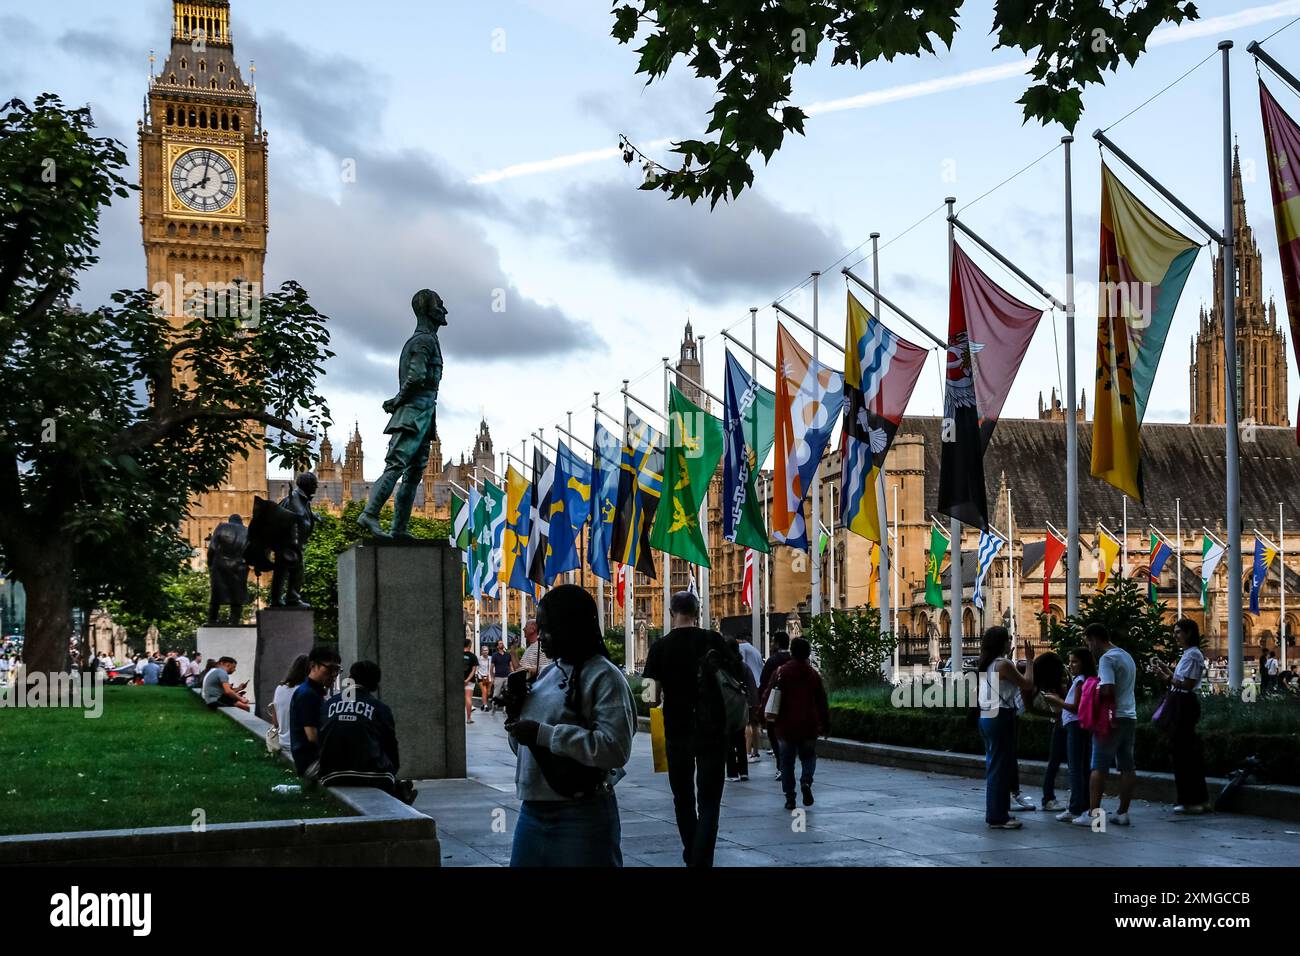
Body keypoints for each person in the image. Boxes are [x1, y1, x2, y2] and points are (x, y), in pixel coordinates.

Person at [506, 584, 636, 867]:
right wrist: (515, 719)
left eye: (548, 628)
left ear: (572, 626)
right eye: (539, 629)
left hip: (581, 812)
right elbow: (524, 748)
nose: (541, 638)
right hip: (533, 810)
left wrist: (543, 734)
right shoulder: (548, 674)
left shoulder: (605, 677)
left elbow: (615, 748)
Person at [642, 590, 730, 867]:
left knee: (682, 797)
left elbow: (650, 697)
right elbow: (733, 679)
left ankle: (692, 850)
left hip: (677, 729)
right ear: (697, 612)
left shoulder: (659, 647)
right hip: (713, 730)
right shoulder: (712, 640)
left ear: (671, 612)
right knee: (710, 801)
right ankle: (701, 858)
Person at [317, 660, 417, 804]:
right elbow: (390, 745)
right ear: (375, 685)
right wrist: (391, 770)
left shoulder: (329, 704)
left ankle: (399, 789)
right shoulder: (380, 708)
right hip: (372, 774)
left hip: (331, 773)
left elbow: (321, 737)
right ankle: (399, 790)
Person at [975, 627, 1036, 830]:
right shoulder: (1003, 664)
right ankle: (997, 816)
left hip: (986, 717)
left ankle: (998, 811)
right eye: (1008, 639)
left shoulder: (988, 664)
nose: (1011, 641)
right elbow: (1027, 684)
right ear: (1002, 643)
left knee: (997, 766)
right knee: (999, 769)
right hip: (1001, 716)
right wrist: (1029, 661)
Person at [1077, 622, 1138, 827]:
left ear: (1094, 639)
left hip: (1110, 719)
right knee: (1127, 766)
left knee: (1098, 767)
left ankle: (1094, 815)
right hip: (1130, 716)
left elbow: (1108, 689)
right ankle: (1122, 812)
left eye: (1088, 643)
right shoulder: (1126, 656)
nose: (1089, 648)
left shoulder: (1106, 658)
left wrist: (1091, 688)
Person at [763, 637, 829, 810]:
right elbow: (822, 701)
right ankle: (806, 781)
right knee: (808, 756)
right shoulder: (813, 674)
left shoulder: (780, 672)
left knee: (786, 762)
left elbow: (768, 694)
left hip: (786, 726)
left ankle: (790, 797)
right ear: (807, 653)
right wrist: (826, 723)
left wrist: (762, 714)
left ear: (792, 652)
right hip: (808, 724)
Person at [1152, 618, 1210, 814]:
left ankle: (1190, 800)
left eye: (1178, 632)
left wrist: (1166, 677)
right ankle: (1194, 799)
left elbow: (1188, 684)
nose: (1175, 635)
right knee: (1184, 753)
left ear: (1189, 633)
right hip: (1183, 702)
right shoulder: (1189, 654)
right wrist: (1165, 669)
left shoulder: (1193, 655)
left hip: (1184, 704)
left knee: (1182, 754)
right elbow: (1181, 679)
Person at [1042, 647, 1096, 823]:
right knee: (1081, 767)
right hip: (1078, 726)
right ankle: (1082, 805)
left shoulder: (1080, 681)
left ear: (1084, 663)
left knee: (1076, 768)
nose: (1071, 665)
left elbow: (1075, 707)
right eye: (1070, 661)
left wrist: (1057, 701)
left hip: (1075, 725)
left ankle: (1075, 807)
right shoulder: (1082, 680)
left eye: (1074, 661)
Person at [289, 645, 342, 777]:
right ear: (313, 666)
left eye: (337, 669)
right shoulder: (307, 694)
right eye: (330, 669)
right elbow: (312, 736)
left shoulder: (313, 691)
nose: (334, 674)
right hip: (312, 764)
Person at [759, 632, 792, 771]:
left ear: (777, 644)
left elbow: (764, 682)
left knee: (773, 733)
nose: (771, 644)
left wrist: (761, 703)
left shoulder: (772, 661)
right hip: (791, 703)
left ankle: (780, 764)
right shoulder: (792, 659)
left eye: (773, 642)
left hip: (774, 704)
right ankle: (786, 764)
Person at [722, 638, 754, 782]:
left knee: (728, 738)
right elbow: (752, 686)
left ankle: (732, 773)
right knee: (740, 738)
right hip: (741, 705)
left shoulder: (723, 668)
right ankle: (744, 771)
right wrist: (753, 704)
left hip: (727, 705)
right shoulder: (743, 667)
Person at [271, 654, 310, 754]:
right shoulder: (306, 691)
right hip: (301, 745)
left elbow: (275, 722)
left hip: (283, 741)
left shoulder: (280, 688)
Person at [737, 633, 764, 760]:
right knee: (755, 723)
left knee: (747, 723)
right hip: (757, 687)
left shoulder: (742, 648)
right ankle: (756, 752)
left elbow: (740, 668)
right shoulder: (755, 650)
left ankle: (747, 752)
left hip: (748, 689)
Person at [462, 639, 478, 723]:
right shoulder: (473, 656)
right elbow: (473, 670)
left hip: (458, 681)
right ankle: (468, 718)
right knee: (468, 698)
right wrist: (467, 680)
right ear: (470, 645)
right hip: (469, 681)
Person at [476, 644, 492, 711]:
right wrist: (477, 675)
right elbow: (476, 668)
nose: (485, 651)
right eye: (484, 650)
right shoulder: (479, 659)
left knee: (488, 693)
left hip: (489, 677)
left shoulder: (490, 658)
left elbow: (493, 668)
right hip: (481, 678)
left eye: (486, 650)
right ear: (481, 651)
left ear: (488, 651)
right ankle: (485, 706)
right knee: (484, 691)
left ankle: (483, 703)